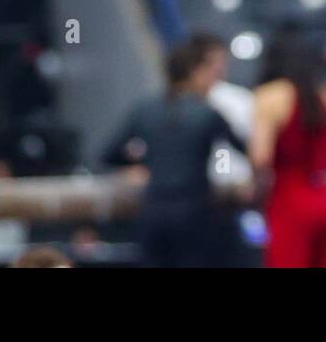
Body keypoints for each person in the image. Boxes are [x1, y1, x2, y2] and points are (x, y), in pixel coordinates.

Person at [101, 37, 246, 268]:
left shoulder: (145, 110)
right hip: (194, 215)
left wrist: (143, 161)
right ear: (195, 72)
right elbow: (245, 149)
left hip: (153, 212)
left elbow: (107, 155)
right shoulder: (207, 113)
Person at [250, 30, 326, 268]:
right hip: (325, 197)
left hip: (288, 200)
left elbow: (260, 158)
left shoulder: (269, 97)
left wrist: (257, 192)